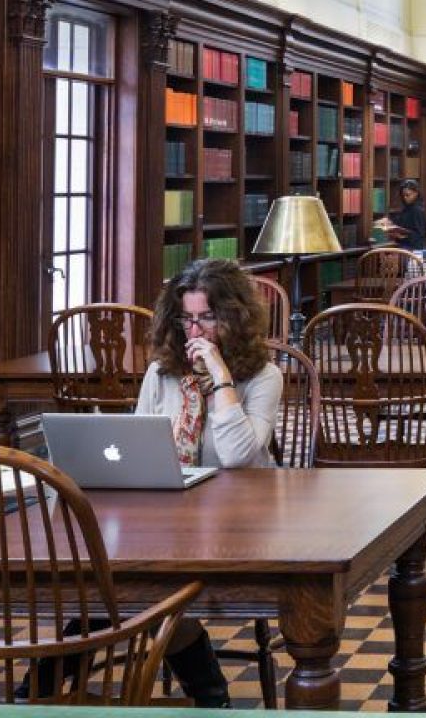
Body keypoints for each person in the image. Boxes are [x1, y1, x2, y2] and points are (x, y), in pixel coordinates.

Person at [132, 258, 285, 707]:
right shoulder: (162, 373)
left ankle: (33, 695)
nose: (195, 332)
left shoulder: (262, 376)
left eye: (207, 318)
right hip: (167, 518)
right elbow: (140, 441)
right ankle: (212, 697)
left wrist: (220, 378)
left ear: (233, 317)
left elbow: (239, 456)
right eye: (187, 318)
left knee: (134, 597)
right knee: (106, 588)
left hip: (241, 522)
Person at [375, 178, 426, 250]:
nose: (405, 198)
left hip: (412, 250)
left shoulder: (417, 210)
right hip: (403, 246)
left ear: (416, 193)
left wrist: (403, 235)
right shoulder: (406, 209)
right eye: (403, 195)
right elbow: (401, 225)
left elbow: (419, 237)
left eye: (408, 195)